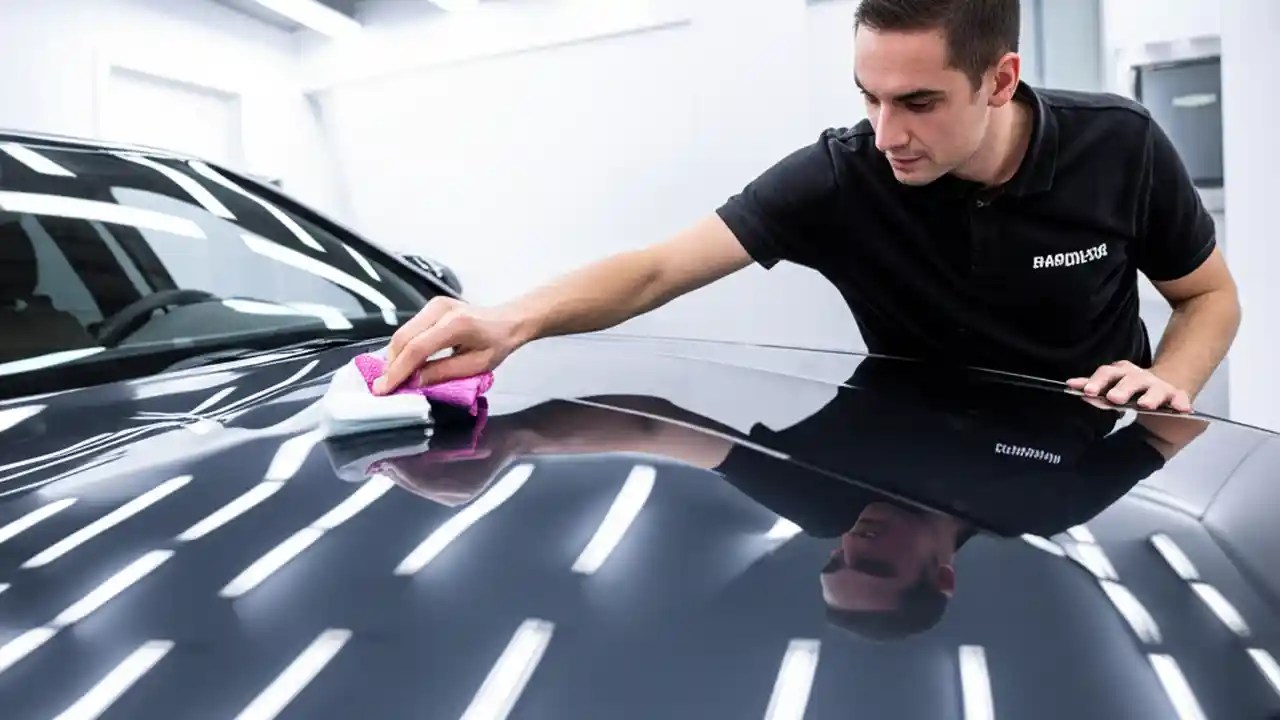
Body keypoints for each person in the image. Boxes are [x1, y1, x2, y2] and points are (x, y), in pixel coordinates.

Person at [374, 0, 1239, 413]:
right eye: (869, 96)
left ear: (1001, 79)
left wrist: (1171, 380)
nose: (887, 133)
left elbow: (1207, 296)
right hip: (919, 470)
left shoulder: (1119, 144)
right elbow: (658, 270)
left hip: (1093, 462)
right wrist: (513, 320)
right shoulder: (842, 175)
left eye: (919, 103)